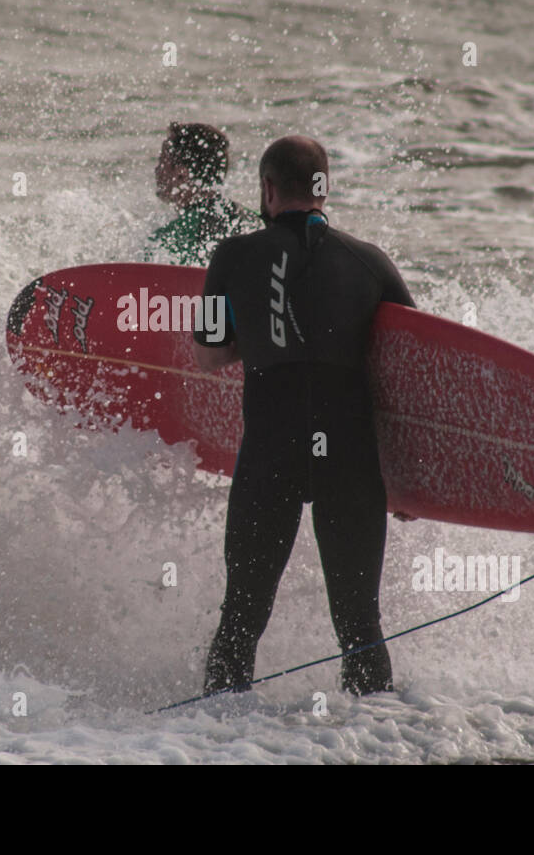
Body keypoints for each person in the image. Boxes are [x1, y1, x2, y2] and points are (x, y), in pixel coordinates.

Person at [191, 135, 415, 696]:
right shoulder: (371, 262)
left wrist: (265, 336)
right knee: (361, 624)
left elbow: (211, 354)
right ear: (324, 187)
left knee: (241, 619)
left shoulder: (232, 256)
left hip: (272, 448)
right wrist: (410, 480)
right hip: (351, 456)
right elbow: (410, 368)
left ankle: (218, 746)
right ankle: (383, 744)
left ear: (267, 189)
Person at [144, 122, 254, 266]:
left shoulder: (167, 239)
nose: (157, 170)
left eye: (161, 161)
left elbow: (145, 286)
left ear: (181, 175)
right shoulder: (252, 220)